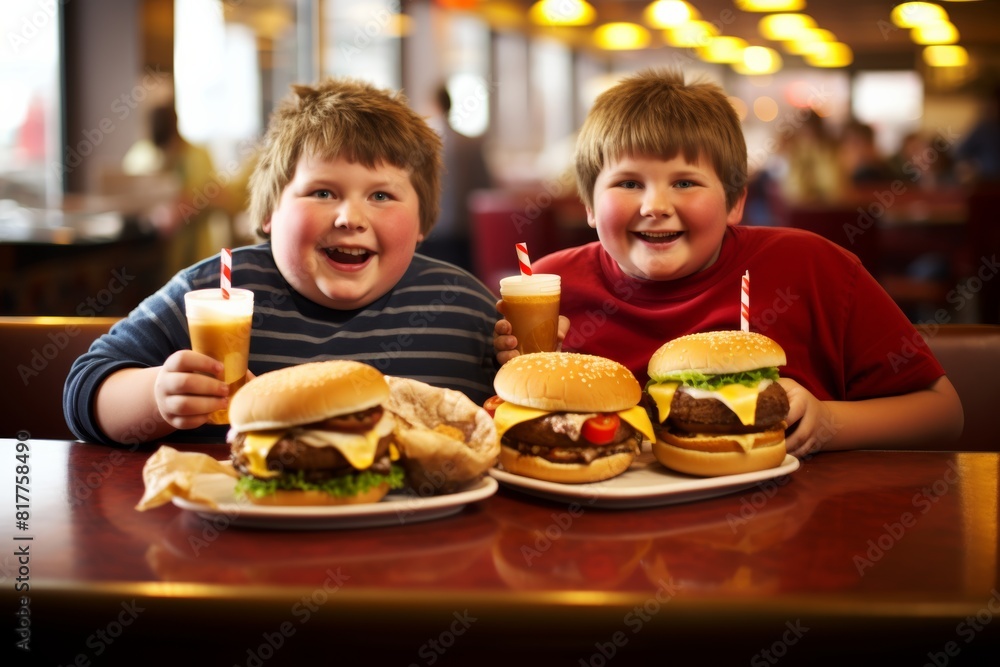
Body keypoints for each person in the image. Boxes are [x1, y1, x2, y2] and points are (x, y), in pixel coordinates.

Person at [493, 68, 963, 458]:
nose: (655, 204)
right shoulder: (545, 289)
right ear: (590, 205)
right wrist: (516, 370)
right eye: (629, 183)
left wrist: (830, 422)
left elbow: (944, 414)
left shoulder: (812, 266)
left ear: (736, 201)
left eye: (685, 183)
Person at [65, 78, 499, 446]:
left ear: (423, 220)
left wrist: (527, 353)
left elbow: (524, 413)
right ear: (270, 212)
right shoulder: (212, 296)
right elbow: (85, 388)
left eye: (381, 195)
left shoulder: (463, 305)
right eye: (323, 192)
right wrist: (158, 396)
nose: (350, 218)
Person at [417, 84, 493, 272]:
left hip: (431, 227)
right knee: (461, 276)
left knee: (429, 275)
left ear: (434, 105)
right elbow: (485, 185)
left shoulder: (420, 143)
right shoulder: (470, 143)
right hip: (463, 225)